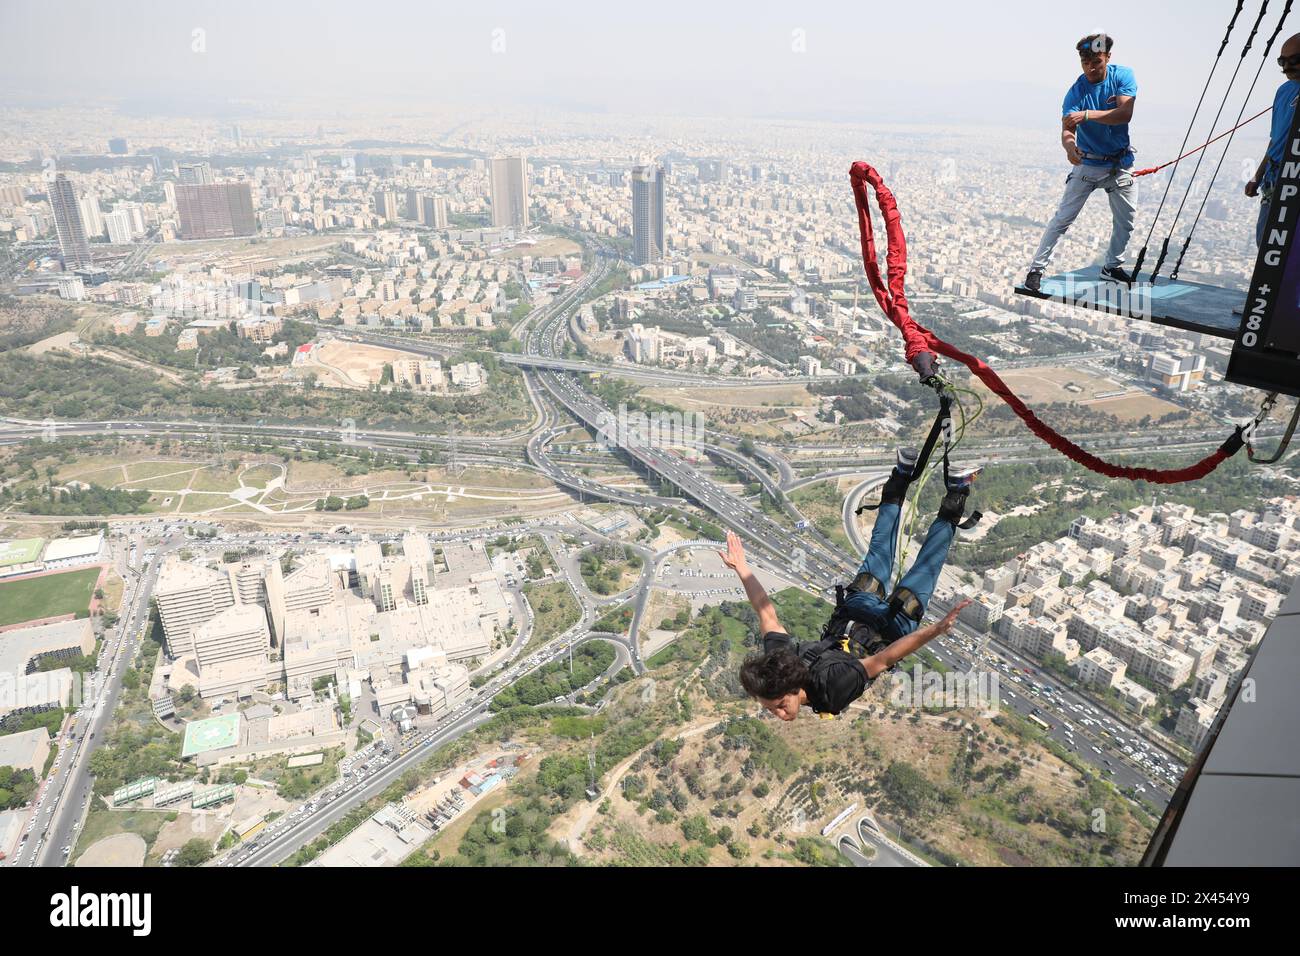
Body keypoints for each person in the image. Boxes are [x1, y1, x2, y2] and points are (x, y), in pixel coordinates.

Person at [727, 448, 977, 721]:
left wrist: (937, 630)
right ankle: (903, 473)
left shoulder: (830, 692)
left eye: (778, 704)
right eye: (771, 708)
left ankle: (956, 491)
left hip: (893, 626)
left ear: (793, 688)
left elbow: (883, 660)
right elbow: (767, 615)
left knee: (928, 563)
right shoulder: (780, 665)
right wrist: (743, 569)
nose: (778, 713)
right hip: (856, 609)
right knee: (881, 549)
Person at [1024, 33, 1138, 292]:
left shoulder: (1123, 77)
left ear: (1108, 57)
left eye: (1096, 62)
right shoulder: (1075, 92)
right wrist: (1069, 147)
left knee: (1126, 219)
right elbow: (1067, 129)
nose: (1091, 68)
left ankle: (1112, 267)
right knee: (1062, 219)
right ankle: (1036, 270)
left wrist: (1087, 115)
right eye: (1086, 63)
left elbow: (1124, 114)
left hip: (1120, 162)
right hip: (1088, 163)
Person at [1245, 33, 1300, 247]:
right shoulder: (1283, 91)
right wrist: (1257, 177)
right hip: (1274, 177)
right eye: (1282, 61)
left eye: (1293, 60)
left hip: (1293, 178)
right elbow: (1274, 139)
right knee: (1267, 243)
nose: (1286, 67)